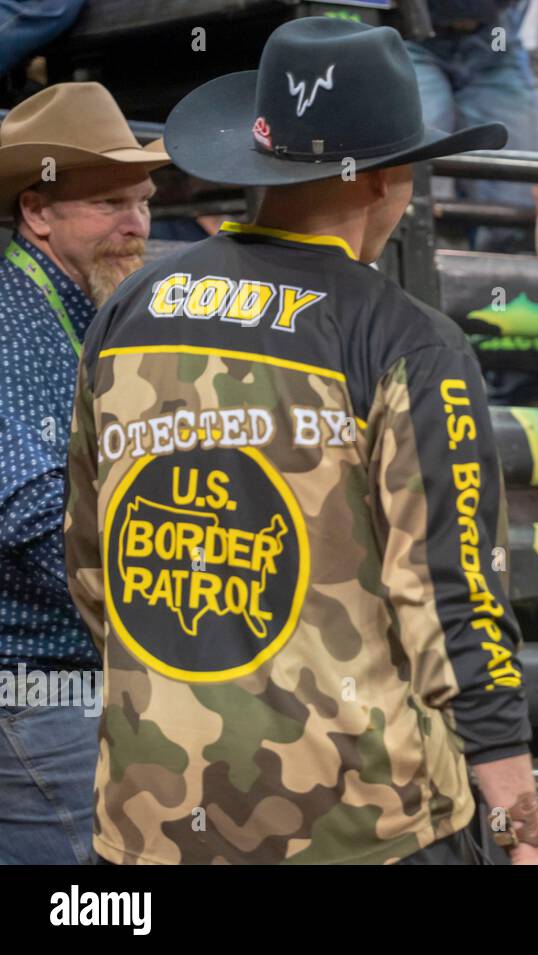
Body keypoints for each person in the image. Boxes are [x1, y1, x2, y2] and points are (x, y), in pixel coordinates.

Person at [64, 17, 538, 865]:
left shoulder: (132, 306)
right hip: (362, 824)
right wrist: (520, 824)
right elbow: (451, 598)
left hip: (151, 819)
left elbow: (93, 561)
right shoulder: (408, 341)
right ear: (389, 179)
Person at [0, 81, 169, 865]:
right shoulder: (16, 313)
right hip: (41, 691)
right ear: (38, 211)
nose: (135, 226)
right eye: (109, 205)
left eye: (142, 201)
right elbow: (36, 514)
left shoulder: (73, 303)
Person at [407, 1, 538, 247]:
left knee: (520, 199)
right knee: (411, 190)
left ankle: (503, 277)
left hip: (496, 39)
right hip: (405, 32)